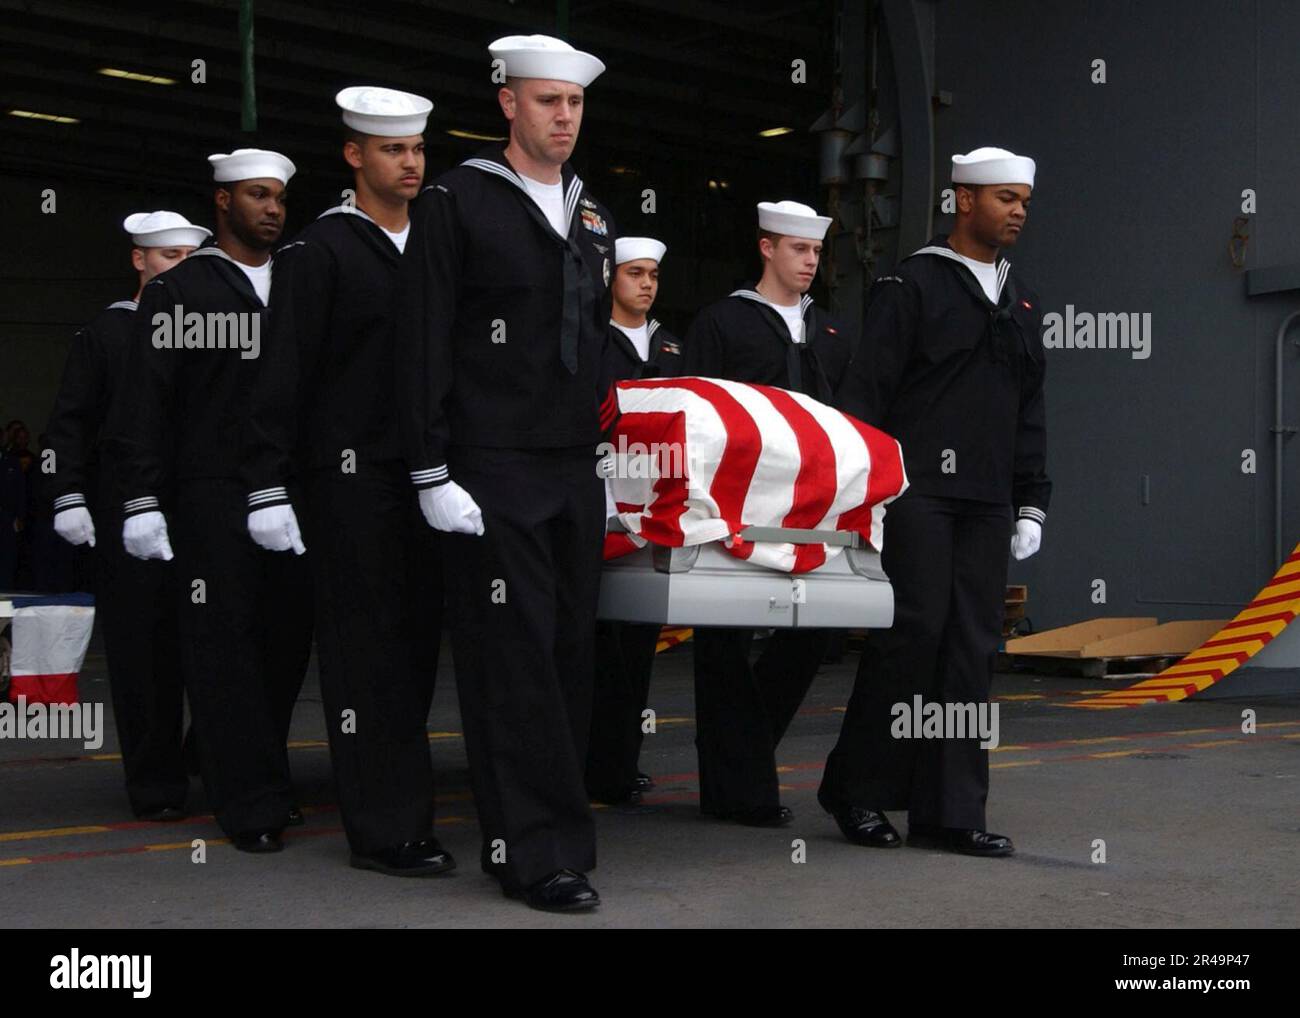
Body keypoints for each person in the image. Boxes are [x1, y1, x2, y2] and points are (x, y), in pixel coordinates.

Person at [397, 33, 613, 911]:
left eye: (575, 103)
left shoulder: (588, 211)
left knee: (567, 658)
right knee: (512, 662)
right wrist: (429, 468)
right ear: (508, 105)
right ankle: (530, 853)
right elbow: (420, 340)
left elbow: (594, 338)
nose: (564, 117)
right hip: (491, 466)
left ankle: (557, 835)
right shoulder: (458, 201)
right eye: (548, 101)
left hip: (571, 468)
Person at [243, 86, 453, 876]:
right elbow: (281, 378)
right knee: (367, 659)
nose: (410, 163)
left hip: (427, 481)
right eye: (393, 150)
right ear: (354, 155)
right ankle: (385, 830)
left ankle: (405, 809)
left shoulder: (434, 242)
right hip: (348, 485)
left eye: (418, 149)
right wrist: (267, 486)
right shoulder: (321, 252)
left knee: (415, 654)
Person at [824, 146, 1049, 856]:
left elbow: (1029, 407)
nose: (1018, 211)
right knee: (910, 639)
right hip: (915, 495)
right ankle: (856, 791)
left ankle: (949, 810)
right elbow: (866, 393)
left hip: (985, 502)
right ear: (963, 200)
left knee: (972, 651)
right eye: (1004, 198)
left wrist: (1031, 501)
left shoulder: (1020, 299)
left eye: (1024, 201)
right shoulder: (912, 283)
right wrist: (865, 495)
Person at [104, 149, 312, 853]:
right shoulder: (183, 291)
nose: (273, 209)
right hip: (211, 497)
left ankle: (251, 769)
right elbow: (144, 406)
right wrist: (140, 500)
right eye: (257, 196)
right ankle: (250, 802)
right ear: (222, 202)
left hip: (294, 496)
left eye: (280, 197)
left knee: (285, 645)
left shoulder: (302, 282)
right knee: (226, 649)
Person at [681, 200, 853, 827]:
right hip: (735, 508)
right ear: (767, 248)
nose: (811, 262)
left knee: (816, 634)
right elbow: (693, 412)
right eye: (799, 250)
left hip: (814, 509)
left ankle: (740, 761)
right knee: (721, 642)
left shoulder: (832, 333)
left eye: (816, 252)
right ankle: (741, 789)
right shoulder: (723, 322)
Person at [45, 212, 207, 819]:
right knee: (144, 654)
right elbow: (70, 421)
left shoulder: (213, 332)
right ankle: (156, 783)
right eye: (168, 258)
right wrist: (68, 492)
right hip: (127, 515)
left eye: (191, 261)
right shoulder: (108, 333)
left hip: (200, 512)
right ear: (139, 261)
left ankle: (212, 759)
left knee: (225, 647)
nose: (180, 273)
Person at [585, 236, 683, 806]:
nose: (645, 284)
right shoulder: (593, 338)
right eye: (634, 274)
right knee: (598, 642)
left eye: (652, 275)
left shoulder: (672, 345)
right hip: (601, 494)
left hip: (653, 501)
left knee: (638, 643)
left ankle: (620, 762)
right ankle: (592, 763)